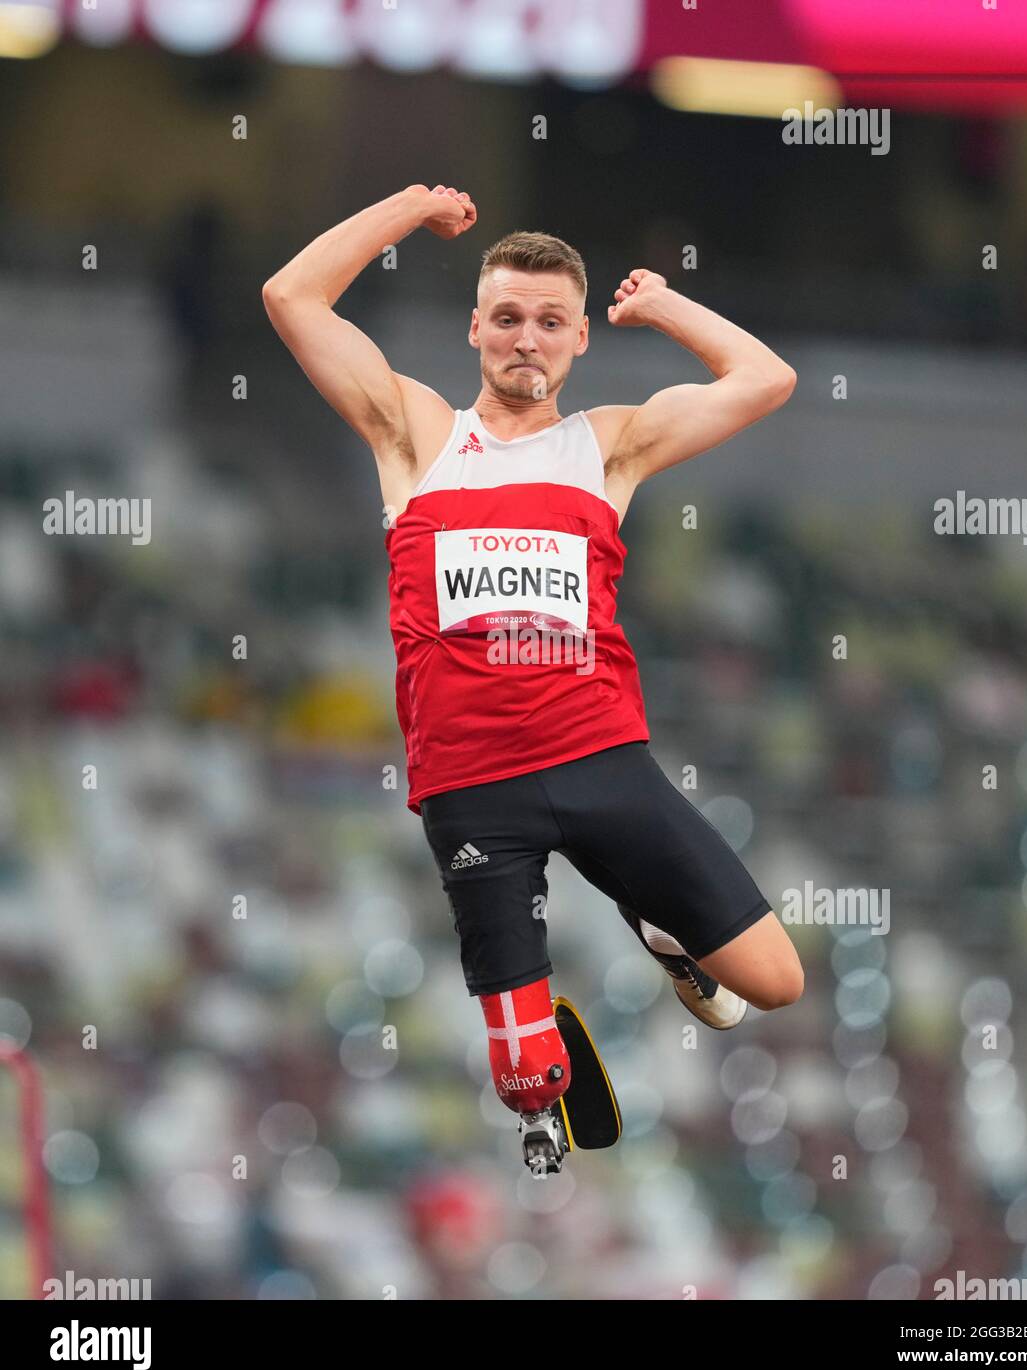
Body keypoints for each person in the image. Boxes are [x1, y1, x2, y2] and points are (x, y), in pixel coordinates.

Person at [263, 184, 804, 1131]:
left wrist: (663, 306)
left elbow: (765, 380)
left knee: (775, 983)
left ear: (579, 338)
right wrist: (409, 209)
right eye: (507, 318)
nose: (526, 338)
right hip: (474, 786)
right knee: (526, 1083)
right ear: (475, 327)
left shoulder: (609, 445)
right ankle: (553, 1057)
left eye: (551, 322)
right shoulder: (418, 432)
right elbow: (292, 298)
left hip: (602, 759)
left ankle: (668, 936)